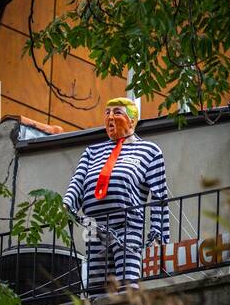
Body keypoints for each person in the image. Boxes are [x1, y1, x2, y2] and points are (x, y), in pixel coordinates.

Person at [63, 97, 170, 292]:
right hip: (94, 226)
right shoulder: (92, 152)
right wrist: (66, 204)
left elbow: (159, 196)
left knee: (126, 284)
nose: (110, 117)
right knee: (96, 286)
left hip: (128, 225)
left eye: (117, 112)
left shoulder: (149, 151)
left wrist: (158, 234)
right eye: (107, 113)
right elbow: (77, 182)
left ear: (132, 119)